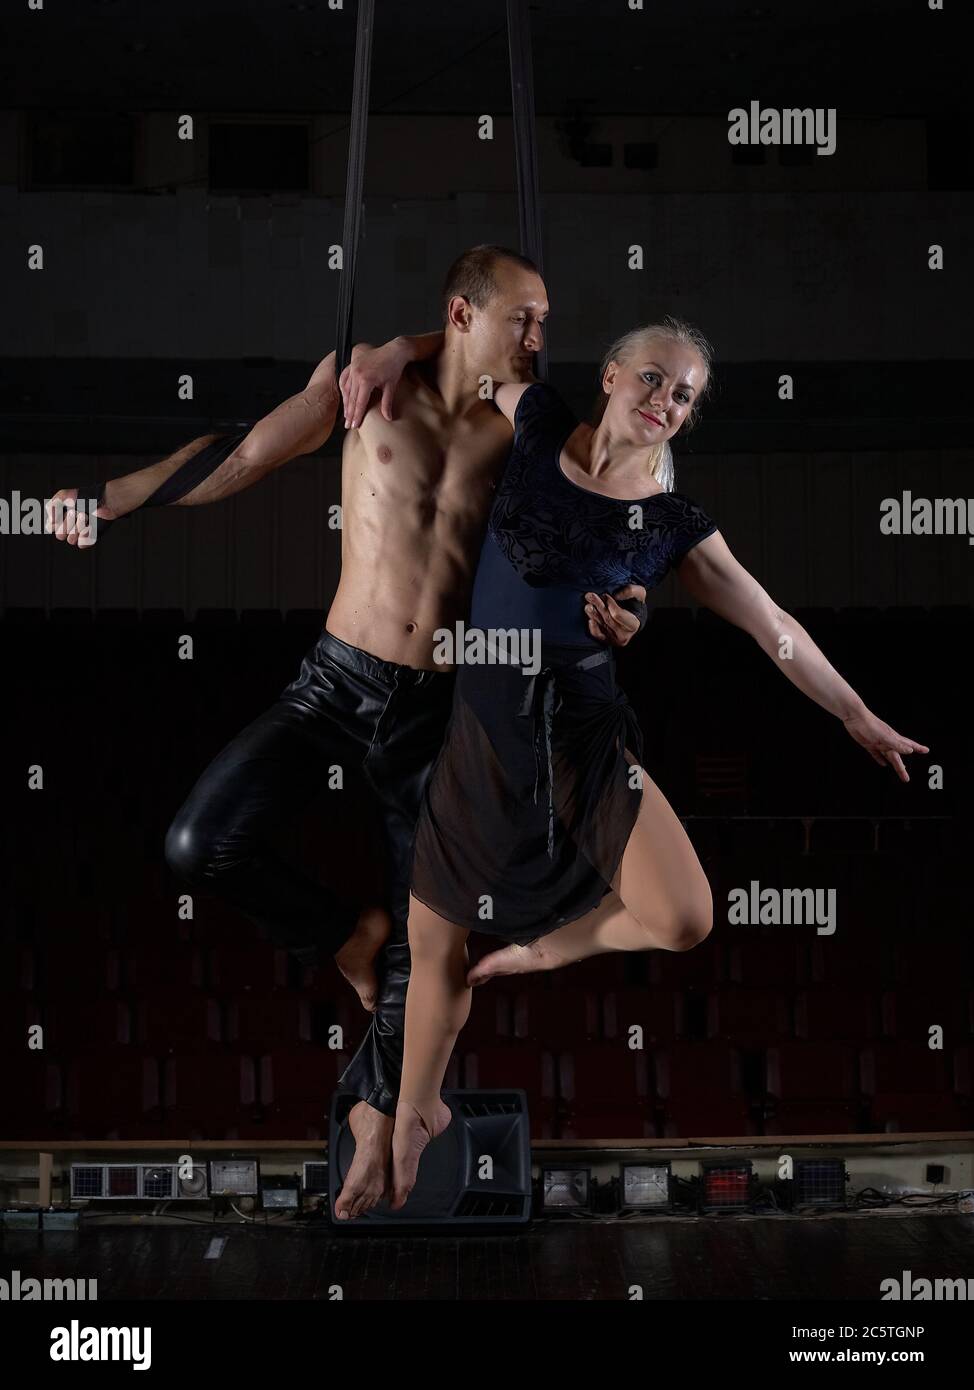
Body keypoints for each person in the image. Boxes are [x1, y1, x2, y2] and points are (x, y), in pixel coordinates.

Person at [45, 245, 646, 1219]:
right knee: (201, 842)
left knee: (430, 933)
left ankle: (382, 1115)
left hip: (446, 707)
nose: (540, 338)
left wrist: (628, 610)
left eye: (545, 322)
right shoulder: (363, 392)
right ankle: (345, 938)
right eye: (521, 321)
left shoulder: (530, 431)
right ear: (461, 315)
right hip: (336, 678)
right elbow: (237, 454)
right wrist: (112, 500)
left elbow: (617, 543)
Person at [387, 317, 930, 1209]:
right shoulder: (535, 415)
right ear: (609, 375)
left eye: (683, 396)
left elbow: (774, 625)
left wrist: (855, 713)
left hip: (585, 730)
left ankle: (546, 952)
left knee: (684, 917)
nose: (665, 403)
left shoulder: (670, 523)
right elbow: (462, 361)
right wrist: (385, 356)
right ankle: (416, 1114)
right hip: (486, 720)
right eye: (652, 379)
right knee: (434, 944)